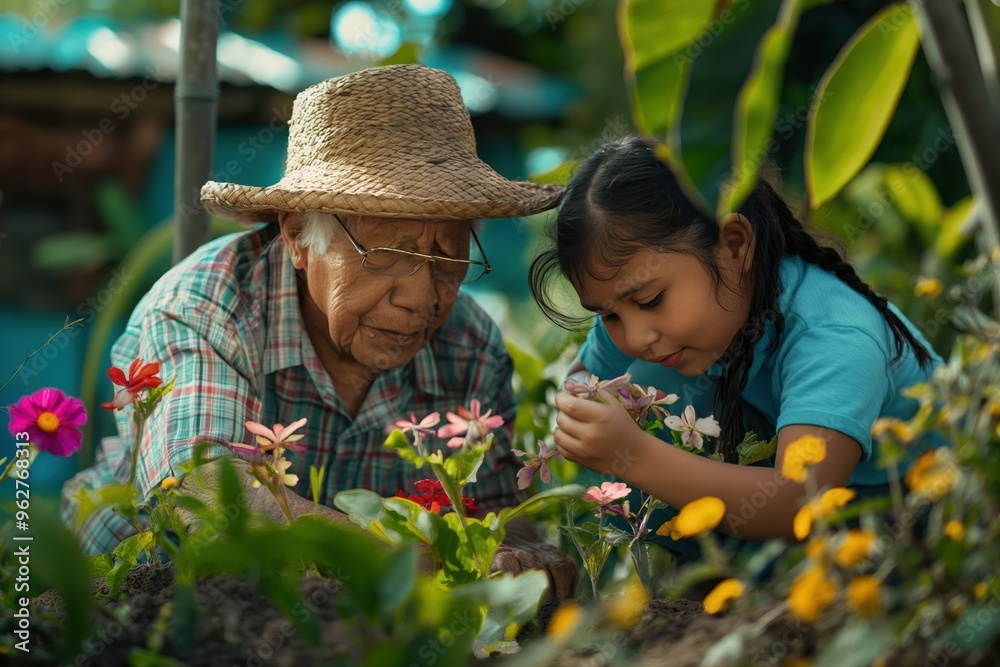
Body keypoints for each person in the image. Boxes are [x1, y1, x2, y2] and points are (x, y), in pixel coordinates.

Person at [61, 64, 576, 598]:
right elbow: (200, 488)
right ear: (298, 239)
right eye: (386, 255)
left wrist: (522, 554)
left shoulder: (469, 343)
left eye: (449, 255)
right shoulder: (208, 304)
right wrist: (388, 561)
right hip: (134, 601)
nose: (425, 296)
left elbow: (495, 507)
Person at [530, 135, 943, 557]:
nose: (636, 337)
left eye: (651, 300)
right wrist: (584, 408)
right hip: (805, 545)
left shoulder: (833, 335)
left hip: (921, 533)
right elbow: (584, 378)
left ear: (734, 245)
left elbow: (798, 503)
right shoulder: (652, 316)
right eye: (609, 315)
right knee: (634, 383)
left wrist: (631, 455)